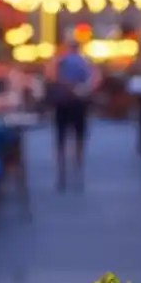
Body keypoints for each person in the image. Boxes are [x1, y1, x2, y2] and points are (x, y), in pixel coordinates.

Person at [47, 40, 96, 191]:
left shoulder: (61, 61)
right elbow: (93, 79)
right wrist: (81, 89)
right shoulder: (84, 62)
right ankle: (78, 160)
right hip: (79, 101)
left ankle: (61, 162)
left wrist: (65, 86)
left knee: (61, 132)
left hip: (63, 101)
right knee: (79, 132)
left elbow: (52, 77)